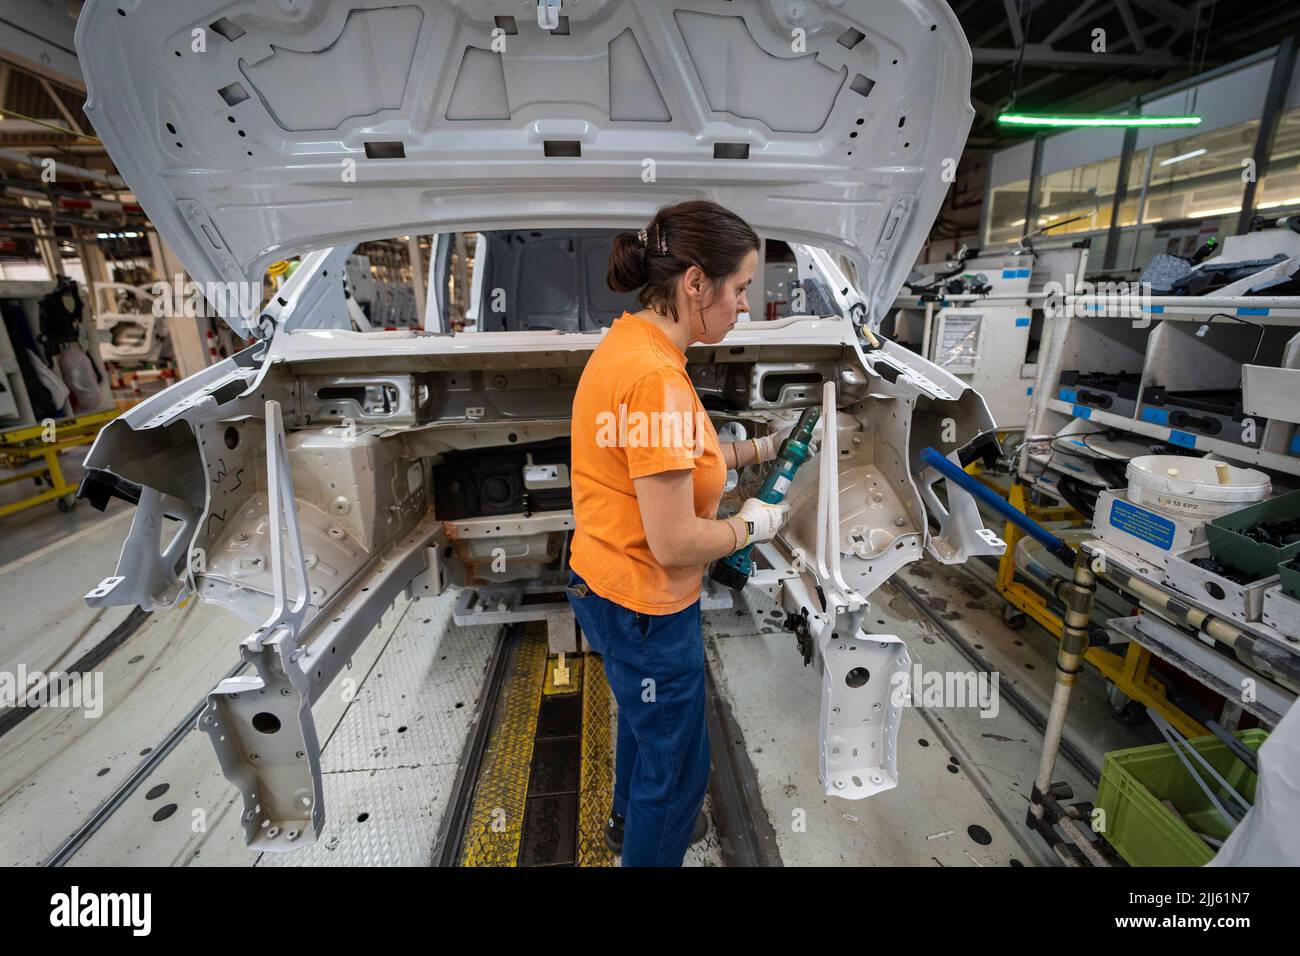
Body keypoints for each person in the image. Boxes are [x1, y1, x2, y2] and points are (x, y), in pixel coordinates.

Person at [565, 199, 791, 866]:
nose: (745, 305)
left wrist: (755, 451)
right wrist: (750, 527)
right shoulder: (658, 378)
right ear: (696, 283)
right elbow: (675, 542)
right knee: (680, 772)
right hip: (644, 600)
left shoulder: (630, 343)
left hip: (601, 579)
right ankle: (647, 835)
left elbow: (664, 462)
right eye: (742, 287)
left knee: (646, 722)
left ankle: (624, 823)